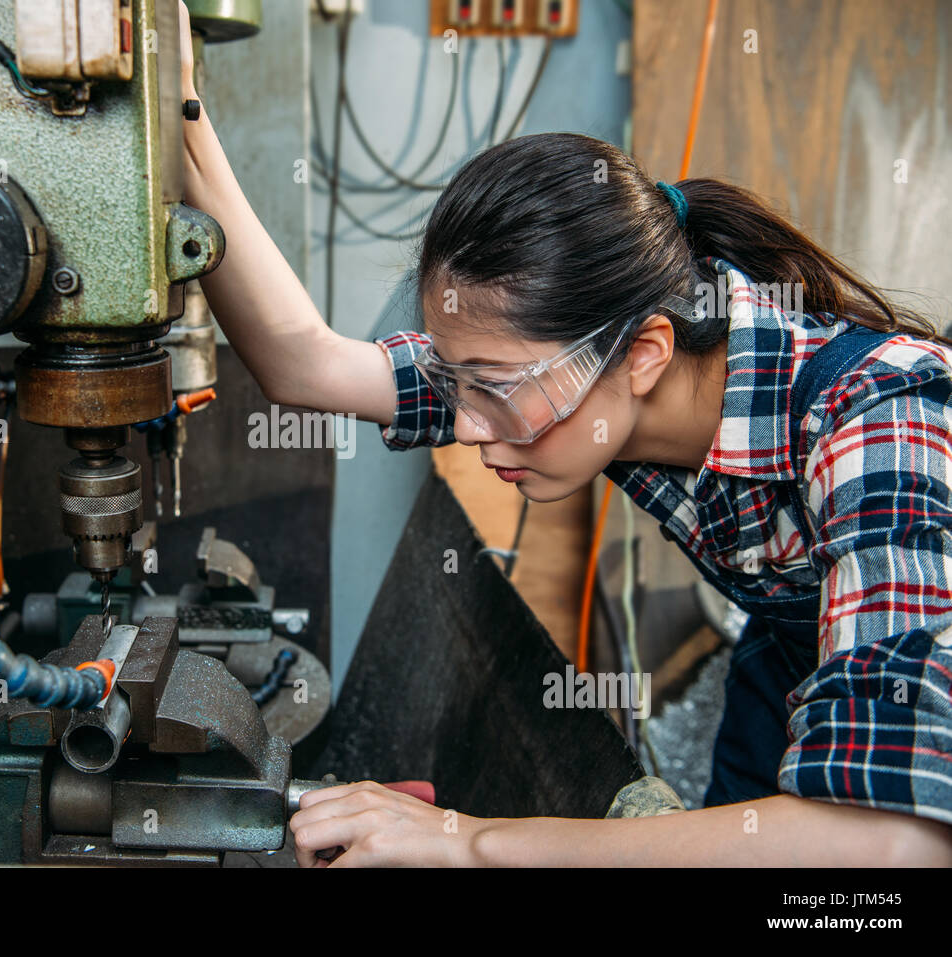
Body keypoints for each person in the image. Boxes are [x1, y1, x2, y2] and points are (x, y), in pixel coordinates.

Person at [176, 4, 952, 866]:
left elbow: (892, 844)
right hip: (789, 659)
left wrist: (464, 841)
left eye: (495, 387)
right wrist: (179, 123)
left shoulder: (882, 420)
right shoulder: (600, 380)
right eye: (453, 380)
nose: (468, 426)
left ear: (645, 354)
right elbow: (306, 367)